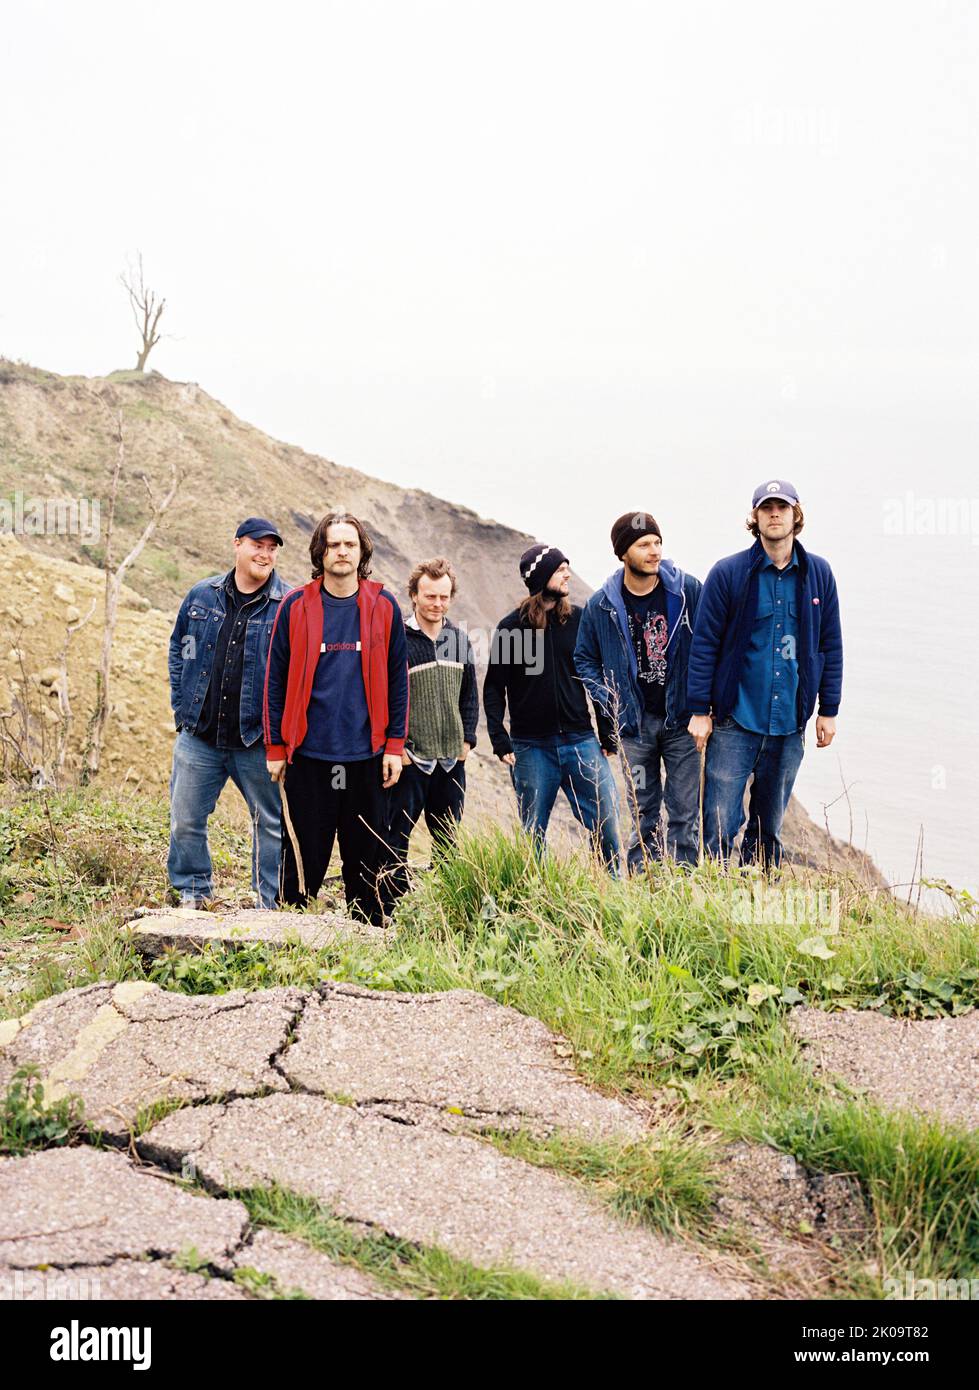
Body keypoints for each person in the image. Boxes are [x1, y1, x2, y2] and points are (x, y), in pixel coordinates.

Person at [686, 480, 843, 868]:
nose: (775, 514)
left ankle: (758, 904)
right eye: (766, 508)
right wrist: (699, 710)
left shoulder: (818, 574)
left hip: (789, 725)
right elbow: (704, 643)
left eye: (782, 507)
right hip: (735, 722)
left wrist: (829, 709)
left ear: (796, 515)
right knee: (719, 826)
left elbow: (830, 644)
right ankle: (714, 901)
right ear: (754, 518)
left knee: (768, 830)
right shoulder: (728, 573)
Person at [263, 510, 408, 924]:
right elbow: (275, 679)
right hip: (309, 757)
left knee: (365, 857)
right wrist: (276, 746)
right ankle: (293, 933)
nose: (341, 551)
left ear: (361, 551)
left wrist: (395, 745)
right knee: (306, 856)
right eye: (333, 544)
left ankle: (368, 938)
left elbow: (399, 679)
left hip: (367, 756)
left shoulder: (383, 605)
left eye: (350, 544)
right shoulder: (295, 606)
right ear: (320, 551)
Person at [167, 517, 290, 908]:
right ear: (237, 545)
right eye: (258, 545)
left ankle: (266, 902)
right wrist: (182, 708)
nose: (265, 554)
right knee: (185, 819)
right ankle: (193, 891)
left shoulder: (287, 604)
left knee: (268, 824)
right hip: (200, 736)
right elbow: (180, 649)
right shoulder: (202, 596)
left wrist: (281, 735)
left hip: (256, 739)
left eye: (272, 548)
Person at [575, 511, 702, 870]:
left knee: (683, 812)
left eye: (658, 542)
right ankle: (643, 883)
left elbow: (711, 643)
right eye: (644, 544)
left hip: (681, 721)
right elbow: (584, 660)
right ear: (623, 553)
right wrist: (611, 701)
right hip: (634, 728)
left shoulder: (687, 591)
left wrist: (703, 702)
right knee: (643, 813)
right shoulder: (601, 605)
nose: (655, 551)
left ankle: (682, 884)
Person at [484, 544, 621, 873]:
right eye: (561, 569)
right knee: (533, 832)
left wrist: (607, 732)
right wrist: (500, 740)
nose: (568, 574)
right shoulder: (511, 629)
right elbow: (493, 687)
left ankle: (614, 891)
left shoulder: (579, 620)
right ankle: (539, 896)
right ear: (541, 577)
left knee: (607, 824)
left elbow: (597, 678)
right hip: (531, 748)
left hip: (581, 742)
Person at [386, 557, 479, 900]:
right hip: (412, 760)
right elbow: (383, 697)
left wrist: (467, 740)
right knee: (395, 837)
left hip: (452, 762)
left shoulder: (458, 638)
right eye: (430, 596)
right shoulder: (399, 639)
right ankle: (390, 909)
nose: (437, 604)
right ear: (413, 595)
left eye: (444, 596)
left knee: (447, 841)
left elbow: (469, 695)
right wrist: (398, 748)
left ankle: (446, 905)